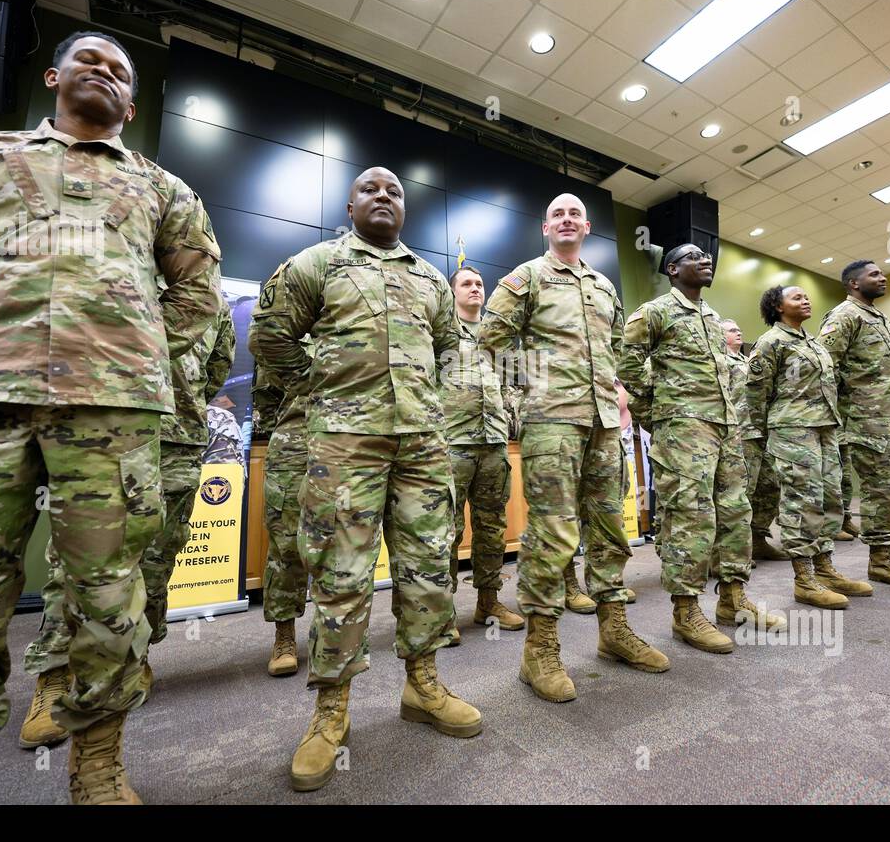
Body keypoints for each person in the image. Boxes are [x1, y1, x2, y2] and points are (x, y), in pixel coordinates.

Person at [0, 31, 222, 804]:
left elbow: (197, 293)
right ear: (54, 75)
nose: (104, 70)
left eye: (121, 71)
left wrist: (126, 350)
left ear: (132, 105)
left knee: (107, 595)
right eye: (90, 59)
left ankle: (97, 764)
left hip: (112, 411)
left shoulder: (165, 190)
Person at [252, 167, 480, 793]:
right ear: (349, 204)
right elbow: (269, 337)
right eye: (371, 189)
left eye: (395, 191)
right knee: (340, 573)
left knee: (429, 564)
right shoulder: (316, 264)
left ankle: (423, 684)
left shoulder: (431, 279)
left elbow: (445, 349)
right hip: (343, 444)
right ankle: (332, 711)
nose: (384, 196)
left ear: (405, 209)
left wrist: (421, 400)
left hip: (422, 444)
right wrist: (324, 384)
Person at [481, 193, 668, 704]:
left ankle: (614, 631)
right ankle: (539, 650)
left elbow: (615, 352)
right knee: (551, 533)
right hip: (552, 423)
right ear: (546, 227)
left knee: (611, 528)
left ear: (586, 227)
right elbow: (488, 341)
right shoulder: (526, 278)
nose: (566, 220)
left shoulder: (604, 286)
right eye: (557, 213)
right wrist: (529, 388)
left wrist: (620, 394)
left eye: (574, 214)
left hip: (605, 423)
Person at [20, 298, 233, 745]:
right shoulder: (115, 269)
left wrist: (181, 401)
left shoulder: (210, 297)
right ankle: (55, 677)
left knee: (159, 558)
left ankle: (134, 660)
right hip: (103, 428)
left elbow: (217, 365)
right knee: (77, 560)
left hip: (176, 437)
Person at [620, 244, 783, 656]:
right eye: (693, 257)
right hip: (684, 428)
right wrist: (656, 414)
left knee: (734, 511)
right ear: (672, 269)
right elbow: (627, 366)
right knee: (689, 515)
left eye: (706, 256)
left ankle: (732, 598)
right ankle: (686, 611)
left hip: (726, 428)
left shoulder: (712, 318)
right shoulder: (655, 312)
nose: (705, 259)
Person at [748, 286, 868, 608]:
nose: (805, 300)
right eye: (796, 297)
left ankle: (825, 568)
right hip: (792, 429)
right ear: (777, 306)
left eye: (806, 296)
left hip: (825, 428)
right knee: (802, 501)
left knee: (831, 497)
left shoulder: (812, 343)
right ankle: (804, 578)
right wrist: (765, 436)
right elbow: (756, 396)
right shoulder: (770, 342)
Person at [818, 261, 890, 588]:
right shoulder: (844, 316)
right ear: (853, 283)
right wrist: (840, 415)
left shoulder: (879, 317)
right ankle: (881, 559)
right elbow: (825, 367)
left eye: (882, 273)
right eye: (874, 275)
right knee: (884, 486)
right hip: (869, 416)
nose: (883, 278)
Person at [443, 264, 523, 632]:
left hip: (493, 443)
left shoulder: (498, 338)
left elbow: (513, 386)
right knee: (446, 529)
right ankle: (442, 612)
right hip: (451, 443)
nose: (475, 288)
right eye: (466, 284)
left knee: (492, 527)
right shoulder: (440, 333)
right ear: (452, 291)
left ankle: (488, 602)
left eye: (479, 283)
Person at [254, 316, 314, 678]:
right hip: (294, 445)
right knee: (286, 544)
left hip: (347, 445)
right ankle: (285, 635)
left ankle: (337, 631)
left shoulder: (350, 327)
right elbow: (266, 395)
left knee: (344, 545)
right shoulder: (286, 336)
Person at [723, 318, 786, 563]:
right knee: (742, 492)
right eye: (731, 330)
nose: (738, 332)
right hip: (740, 433)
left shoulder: (749, 362)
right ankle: (733, 549)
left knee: (771, 486)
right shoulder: (721, 362)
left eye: (739, 328)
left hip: (762, 430)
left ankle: (757, 538)